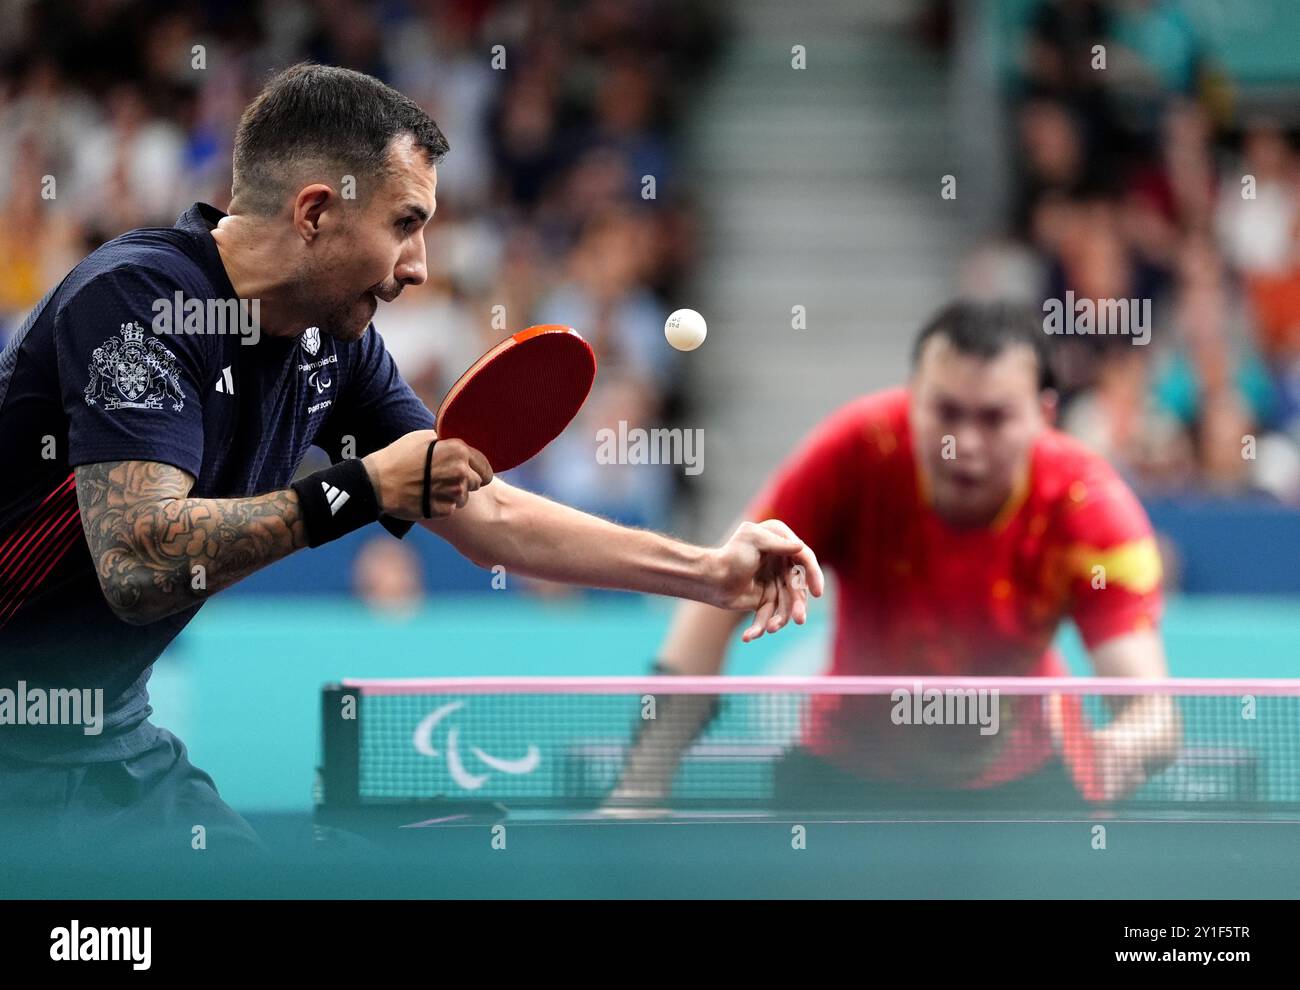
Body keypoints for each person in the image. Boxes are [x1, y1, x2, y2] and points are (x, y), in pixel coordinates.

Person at [0, 63, 822, 863]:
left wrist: (708, 572)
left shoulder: (333, 347)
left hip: (105, 738)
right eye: (405, 223)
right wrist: (356, 491)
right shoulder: (138, 302)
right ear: (316, 212)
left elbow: (485, 512)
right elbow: (140, 560)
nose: (421, 265)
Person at [614, 300, 1179, 811]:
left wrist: (1123, 747)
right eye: (947, 412)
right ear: (912, 399)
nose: (968, 444)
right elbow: (714, 606)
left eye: (994, 418)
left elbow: (1151, 711)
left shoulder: (1090, 507)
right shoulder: (855, 452)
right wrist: (641, 785)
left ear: (1044, 413)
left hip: (1020, 785)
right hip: (846, 775)